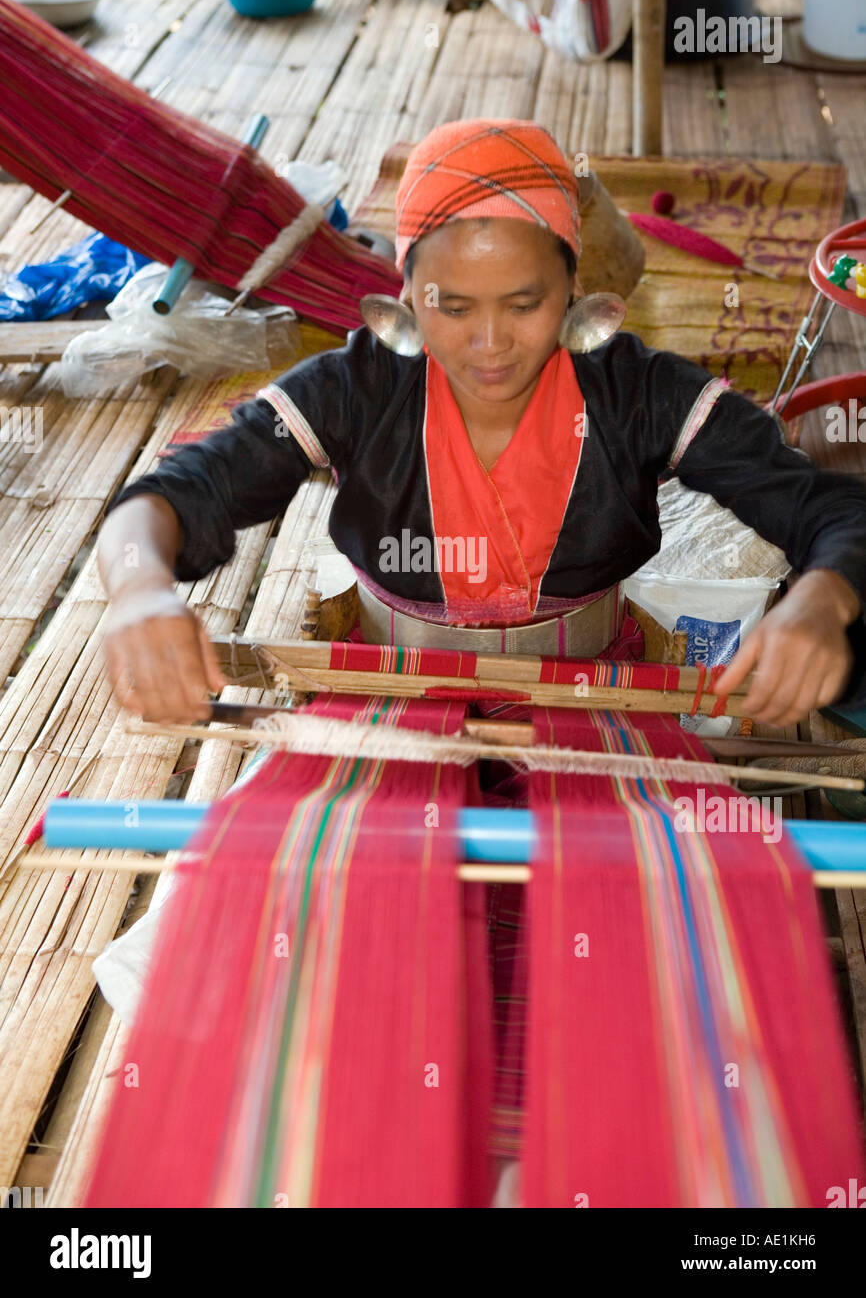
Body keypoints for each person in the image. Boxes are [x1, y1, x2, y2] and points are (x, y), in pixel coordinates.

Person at [96, 118, 866, 1196]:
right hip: (387, 702)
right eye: (450, 306)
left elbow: (827, 508)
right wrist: (137, 589)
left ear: (579, 295)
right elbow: (170, 498)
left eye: (525, 303)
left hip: (596, 704)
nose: (488, 343)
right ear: (406, 296)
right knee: (291, 924)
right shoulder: (359, 389)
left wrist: (818, 603)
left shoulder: (635, 391)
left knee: (667, 941)